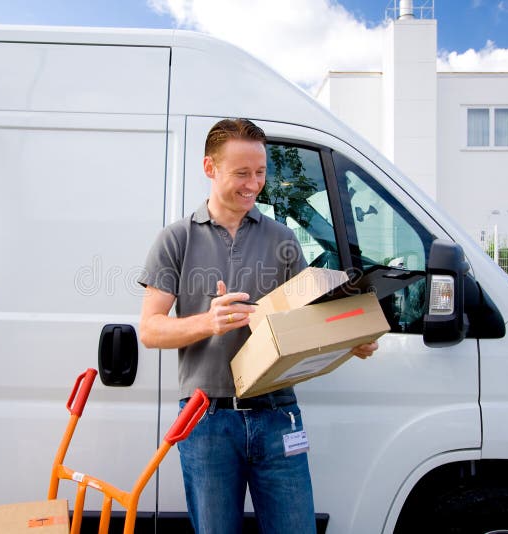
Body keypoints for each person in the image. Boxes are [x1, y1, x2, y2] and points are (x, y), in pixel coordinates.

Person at [138, 118, 378, 534]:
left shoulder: (283, 239)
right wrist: (209, 322)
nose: (254, 184)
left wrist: (348, 338)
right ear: (210, 168)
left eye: (261, 172)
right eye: (242, 173)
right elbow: (150, 329)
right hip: (206, 419)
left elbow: (308, 316)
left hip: (277, 414)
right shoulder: (175, 240)